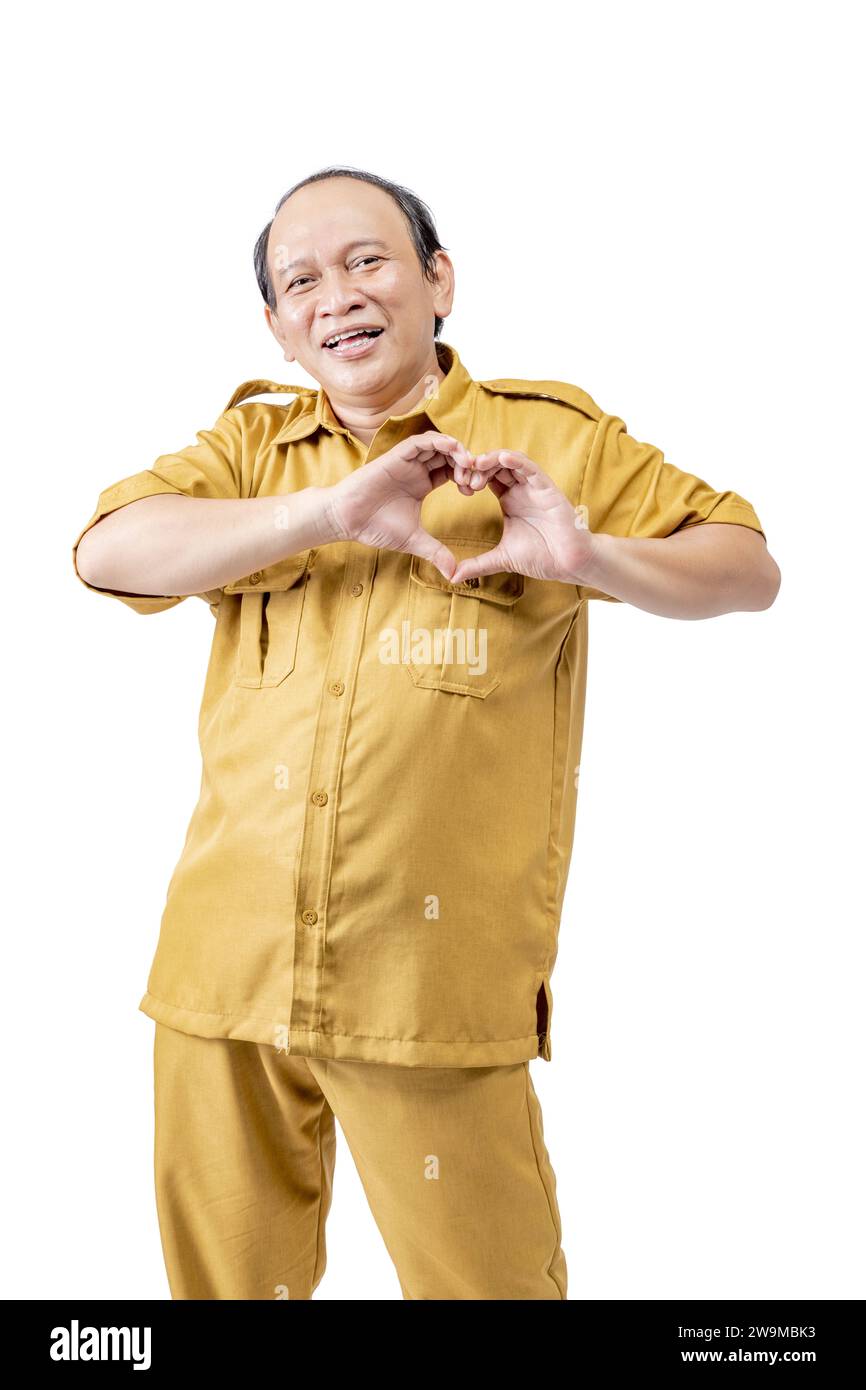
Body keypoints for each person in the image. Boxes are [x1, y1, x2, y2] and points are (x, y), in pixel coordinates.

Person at [72, 165, 781, 1301]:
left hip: (423, 986)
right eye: (300, 280)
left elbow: (745, 570)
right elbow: (107, 550)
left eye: (366, 261)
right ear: (277, 325)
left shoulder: (545, 438)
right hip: (222, 973)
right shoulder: (251, 450)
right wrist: (328, 512)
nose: (336, 295)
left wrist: (587, 557)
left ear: (436, 279)